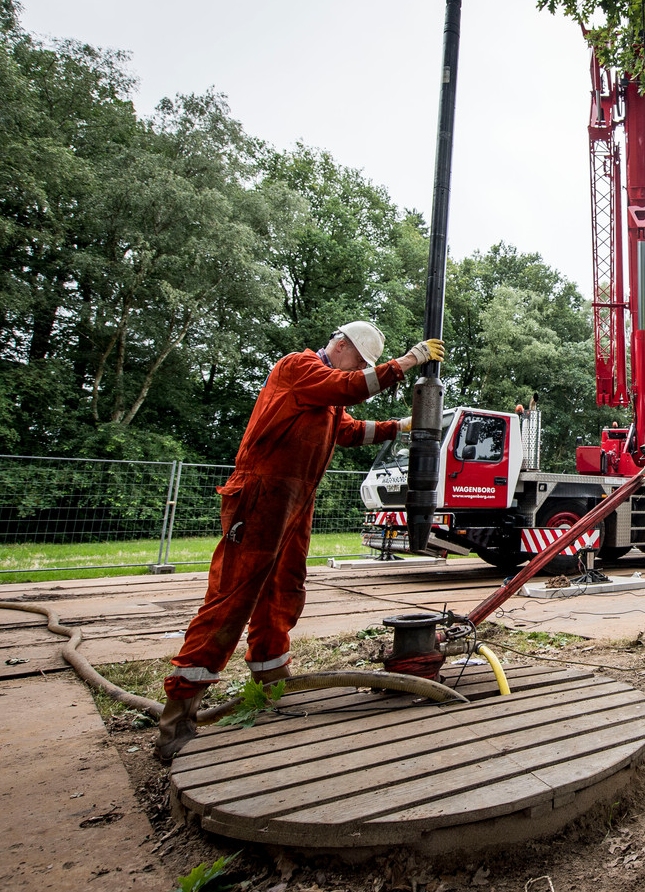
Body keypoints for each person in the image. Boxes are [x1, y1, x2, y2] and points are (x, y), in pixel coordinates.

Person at [154, 321, 444, 761]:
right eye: (360, 361)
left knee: (283, 593)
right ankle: (178, 717)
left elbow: (346, 430)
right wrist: (406, 362)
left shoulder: (323, 394)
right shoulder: (300, 368)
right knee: (231, 599)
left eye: (366, 365)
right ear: (340, 346)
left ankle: (270, 689)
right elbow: (349, 388)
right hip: (259, 496)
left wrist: (397, 426)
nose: (360, 369)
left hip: (295, 501)